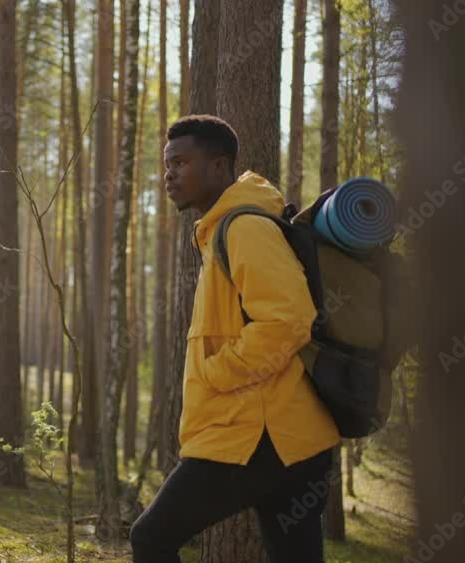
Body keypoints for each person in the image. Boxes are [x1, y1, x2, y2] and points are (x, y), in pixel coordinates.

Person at [129, 115, 340, 563]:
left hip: (256, 436)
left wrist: (219, 370)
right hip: (293, 440)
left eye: (182, 162)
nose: (169, 174)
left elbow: (288, 320)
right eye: (167, 165)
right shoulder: (223, 232)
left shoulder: (244, 228)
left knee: (151, 539)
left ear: (219, 167)